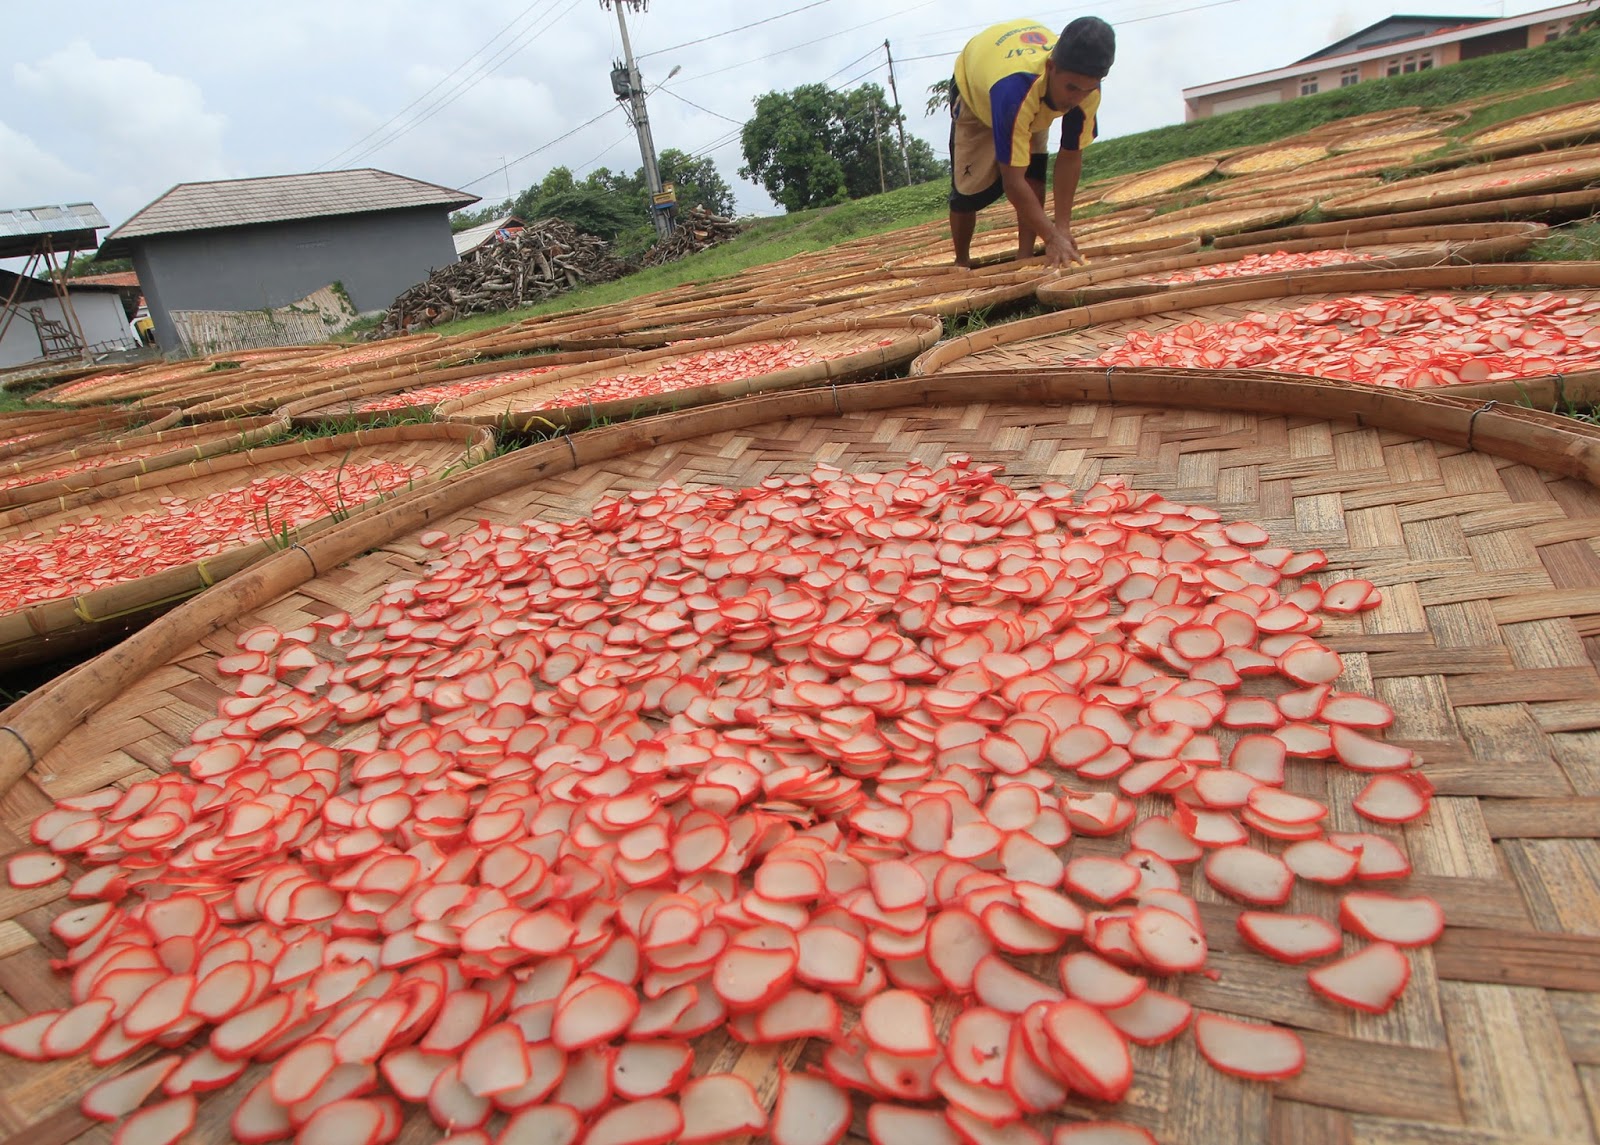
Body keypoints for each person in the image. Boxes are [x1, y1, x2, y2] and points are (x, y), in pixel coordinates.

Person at [948, 16, 1115, 268]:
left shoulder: (1087, 92)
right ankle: (962, 261)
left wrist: (1062, 227)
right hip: (976, 91)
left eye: (1087, 89)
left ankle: (1025, 257)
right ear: (1050, 68)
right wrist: (1051, 236)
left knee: (1034, 173)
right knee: (966, 192)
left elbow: (1071, 155)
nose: (1077, 99)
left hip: (1026, 92)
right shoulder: (1014, 93)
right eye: (1071, 88)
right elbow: (1012, 181)